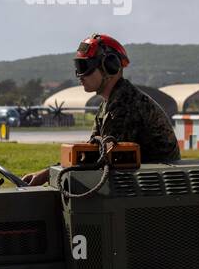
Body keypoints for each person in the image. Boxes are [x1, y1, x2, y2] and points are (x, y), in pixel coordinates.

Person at [22, 33, 180, 186]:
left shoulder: (125, 104)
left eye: (84, 67)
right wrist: (46, 172)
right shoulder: (109, 103)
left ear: (110, 67)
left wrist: (47, 174)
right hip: (142, 183)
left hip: (153, 186)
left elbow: (103, 159)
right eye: (78, 67)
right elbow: (92, 150)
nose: (79, 75)